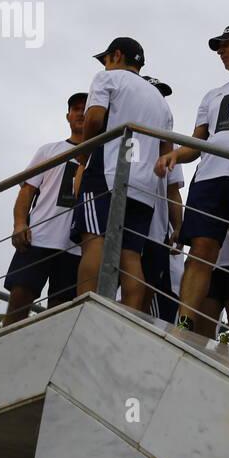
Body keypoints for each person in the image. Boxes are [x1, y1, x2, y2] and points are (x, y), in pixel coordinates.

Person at [157, 23, 229, 340]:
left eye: (226, 44)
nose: (221, 51)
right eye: (218, 46)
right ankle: (184, 323)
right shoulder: (213, 94)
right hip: (208, 178)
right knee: (201, 250)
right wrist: (175, 156)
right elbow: (197, 143)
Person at [72, 37, 174, 310]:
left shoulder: (108, 79)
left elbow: (94, 118)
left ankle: (86, 308)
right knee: (130, 253)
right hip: (145, 184)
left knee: (94, 239)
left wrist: (85, 152)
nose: (105, 65)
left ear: (116, 56)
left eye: (106, 59)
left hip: (108, 170)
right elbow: (167, 150)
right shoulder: (161, 101)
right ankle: (129, 316)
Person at [3, 94, 86, 325]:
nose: (81, 113)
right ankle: (2, 351)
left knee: (59, 313)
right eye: (76, 108)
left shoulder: (102, 153)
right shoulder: (49, 150)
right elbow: (27, 191)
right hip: (39, 236)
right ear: (67, 116)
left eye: (86, 109)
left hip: (76, 245)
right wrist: (20, 224)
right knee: (19, 299)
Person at [137, 76, 184, 323]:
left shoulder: (168, 143)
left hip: (156, 228)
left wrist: (178, 227)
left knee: (150, 286)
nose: (159, 101)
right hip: (127, 219)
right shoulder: (124, 133)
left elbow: (173, 189)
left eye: (161, 96)